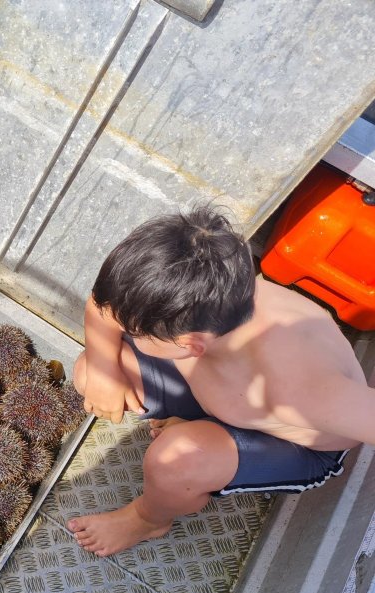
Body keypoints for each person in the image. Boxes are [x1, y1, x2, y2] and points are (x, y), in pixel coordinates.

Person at [67, 206, 373, 556]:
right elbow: (105, 307)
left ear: (188, 345)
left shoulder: (298, 387)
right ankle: (198, 426)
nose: (123, 328)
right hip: (218, 395)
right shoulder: (209, 291)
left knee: (175, 460)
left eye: (135, 332)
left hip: (288, 443)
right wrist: (104, 372)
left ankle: (148, 519)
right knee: (89, 371)